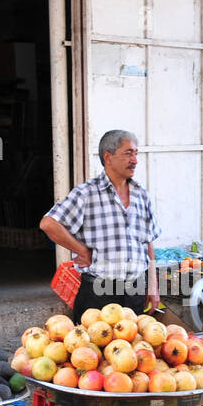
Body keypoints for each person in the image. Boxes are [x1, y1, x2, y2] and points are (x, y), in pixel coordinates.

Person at [40, 130, 160, 317]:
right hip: (99, 293)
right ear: (108, 157)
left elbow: (148, 241)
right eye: (128, 153)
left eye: (136, 153)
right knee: (92, 345)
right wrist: (82, 251)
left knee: (133, 345)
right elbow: (48, 223)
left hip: (135, 291)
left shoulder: (141, 194)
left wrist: (152, 286)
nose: (135, 160)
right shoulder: (87, 193)